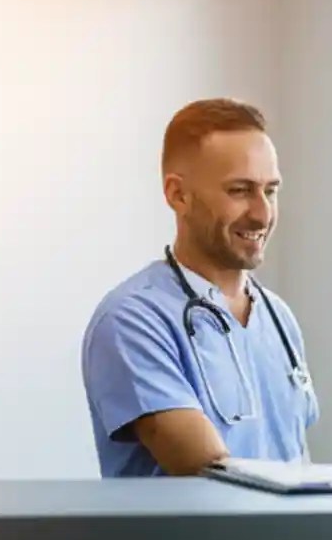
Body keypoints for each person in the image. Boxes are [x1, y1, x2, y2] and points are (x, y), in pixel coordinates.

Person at [80, 98, 319, 477]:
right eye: (240, 190)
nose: (262, 213)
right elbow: (208, 474)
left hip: (285, 537)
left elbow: (297, 462)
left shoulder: (278, 318)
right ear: (178, 195)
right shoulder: (132, 320)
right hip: (200, 539)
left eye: (270, 191)